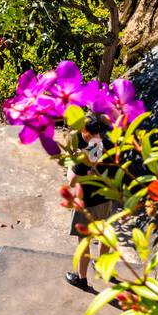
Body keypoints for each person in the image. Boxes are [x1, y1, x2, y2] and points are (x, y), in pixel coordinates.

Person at [66, 116, 118, 290]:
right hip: (105, 199)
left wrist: (70, 161)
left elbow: (71, 181)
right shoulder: (109, 144)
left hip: (86, 203)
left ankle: (81, 279)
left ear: (85, 132)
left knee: (84, 242)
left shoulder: (86, 153)